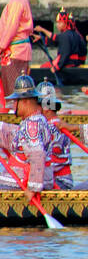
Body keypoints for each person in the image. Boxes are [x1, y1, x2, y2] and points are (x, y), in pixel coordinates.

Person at [0, 75, 55, 203]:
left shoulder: (31, 125)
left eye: (15, 101)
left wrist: (33, 187)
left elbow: (37, 154)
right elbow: (17, 136)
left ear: (25, 101)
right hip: (42, 177)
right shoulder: (38, 119)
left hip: (23, 180)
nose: (13, 106)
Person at [0, 0, 33, 97]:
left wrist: (1, 46)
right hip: (19, 50)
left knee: (13, 89)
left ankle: (13, 112)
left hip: (15, 51)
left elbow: (11, 27)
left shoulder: (17, 2)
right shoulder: (20, 0)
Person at [34, 82, 73, 190]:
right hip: (64, 179)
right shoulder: (59, 124)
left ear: (46, 108)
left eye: (37, 106)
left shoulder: (48, 128)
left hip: (58, 181)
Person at [36, 9, 87, 84]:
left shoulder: (65, 35)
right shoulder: (75, 34)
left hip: (68, 63)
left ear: (66, 23)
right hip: (75, 63)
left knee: (43, 67)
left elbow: (65, 53)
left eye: (59, 23)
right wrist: (41, 38)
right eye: (57, 23)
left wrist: (57, 67)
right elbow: (56, 40)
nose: (57, 25)